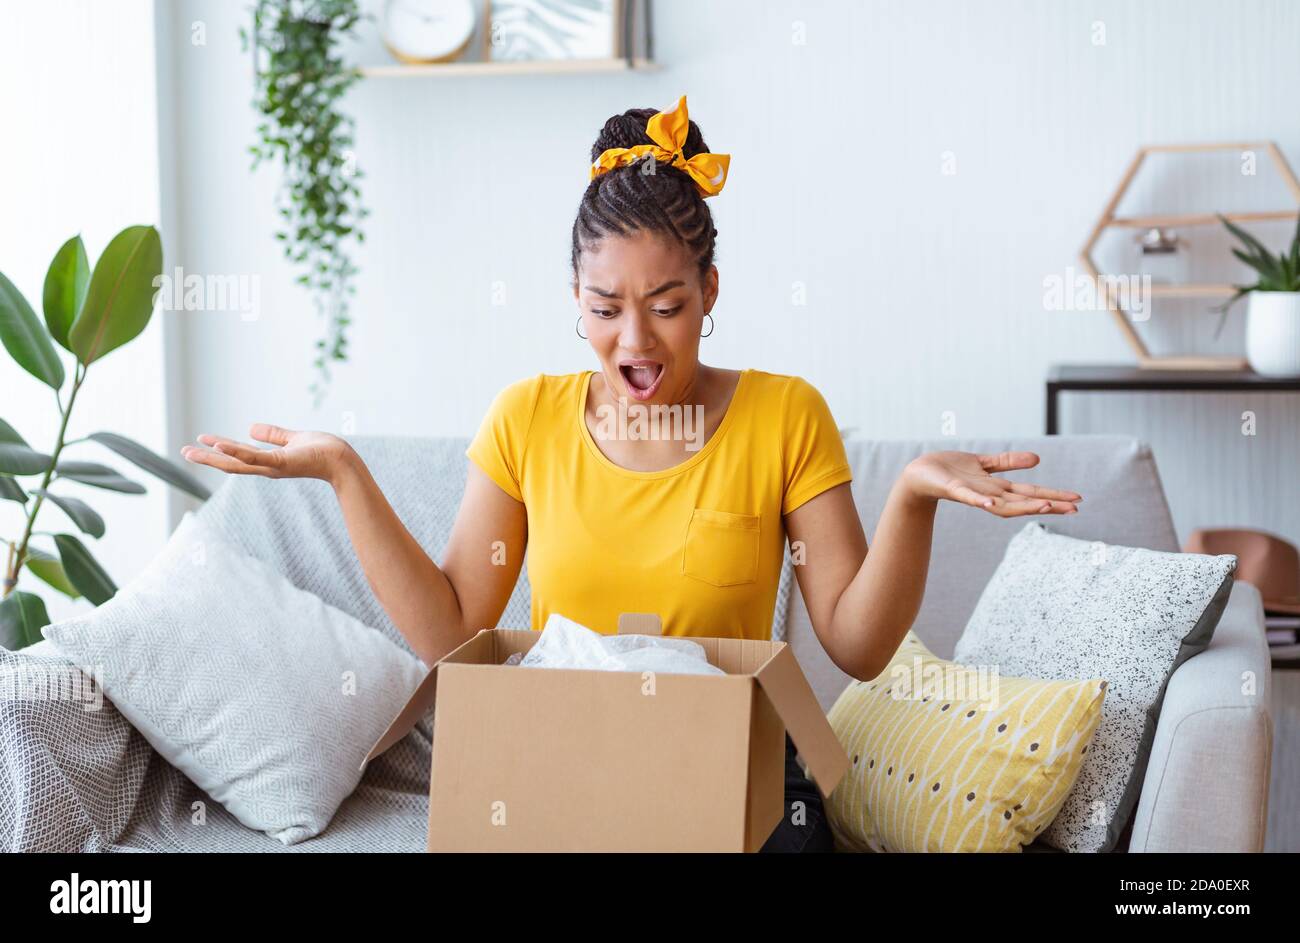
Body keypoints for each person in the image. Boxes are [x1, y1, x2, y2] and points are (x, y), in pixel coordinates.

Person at [180, 95, 1082, 853]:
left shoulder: (786, 415)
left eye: (667, 306)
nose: (637, 342)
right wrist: (344, 472)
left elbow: (857, 644)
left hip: (741, 771)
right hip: (573, 764)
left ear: (712, 293)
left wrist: (916, 496)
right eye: (606, 308)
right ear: (575, 297)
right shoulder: (526, 417)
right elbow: (452, 630)